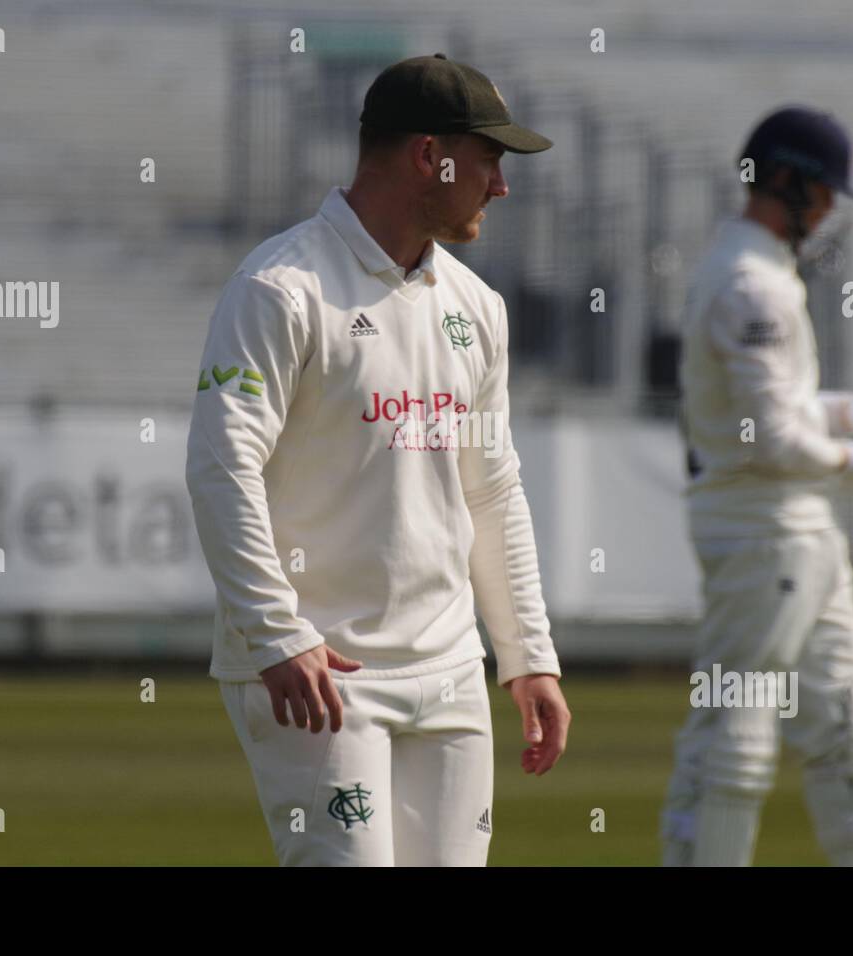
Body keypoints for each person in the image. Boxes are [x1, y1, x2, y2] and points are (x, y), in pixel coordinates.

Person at [185, 53, 570, 867]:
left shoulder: (476, 306)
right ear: (432, 156)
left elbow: (492, 490)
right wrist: (277, 633)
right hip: (322, 667)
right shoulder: (279, 288)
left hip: (451, 667)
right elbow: (223, 466)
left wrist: (527, 654)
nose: (499, 187)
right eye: (490, 160)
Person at [661, 106, 853, 866]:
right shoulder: (751, 286)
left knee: (852, 732)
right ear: (786, 180)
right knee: (733, 737)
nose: (826, 214)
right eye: (822, 194)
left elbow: (789, 412)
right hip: (762, 535)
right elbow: (777, 438)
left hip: (794, 531)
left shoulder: (756, 274)